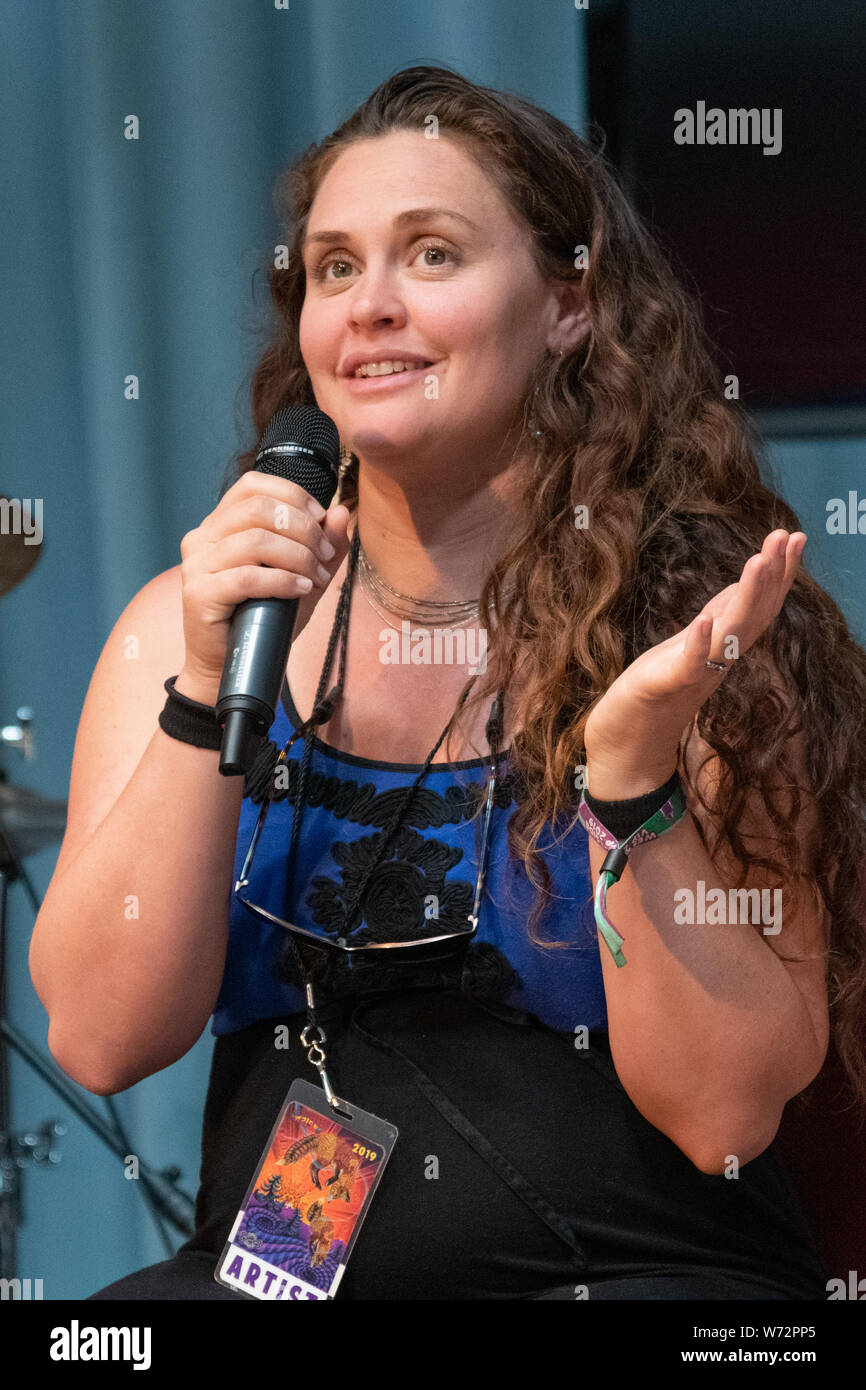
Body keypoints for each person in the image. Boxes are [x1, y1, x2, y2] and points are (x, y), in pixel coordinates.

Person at [30, 65, 866, 1301]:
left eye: (429, 255)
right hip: (279, 1272)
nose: (368, 305)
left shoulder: (695, 628)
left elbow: (722, 1115)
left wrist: (631, 787)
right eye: (331, 267)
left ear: (569, 301)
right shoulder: (189, 625)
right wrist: (206, 686)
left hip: (637, 1270)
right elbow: (102, 1039)